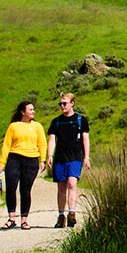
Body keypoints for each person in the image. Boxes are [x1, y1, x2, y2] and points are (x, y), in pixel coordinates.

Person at [0, 100, 47, 229]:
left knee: (26, 190)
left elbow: (42, 144)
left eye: (33, 109)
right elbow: (6, 145)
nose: (33, 112)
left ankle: (24, 220)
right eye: (30, 109)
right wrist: (1, 163)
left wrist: (42, 160)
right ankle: (11, 218)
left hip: (31, 160)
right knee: (11, 187)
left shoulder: (37, 126)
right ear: (23, 112)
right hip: (15, 158)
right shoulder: (13, 126)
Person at [45, 92, 92, 228]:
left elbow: (85, 139)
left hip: (75, 156)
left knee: (72, 183)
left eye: (64, 103)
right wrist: (50, 155)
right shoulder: (56, 121)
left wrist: (86, 157)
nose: (62, 106)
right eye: (60, 104)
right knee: (61, 187)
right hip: (60, 157)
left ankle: (72, 213)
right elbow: (52, 139)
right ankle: (61, 215)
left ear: (72, 103)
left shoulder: (80, 120)